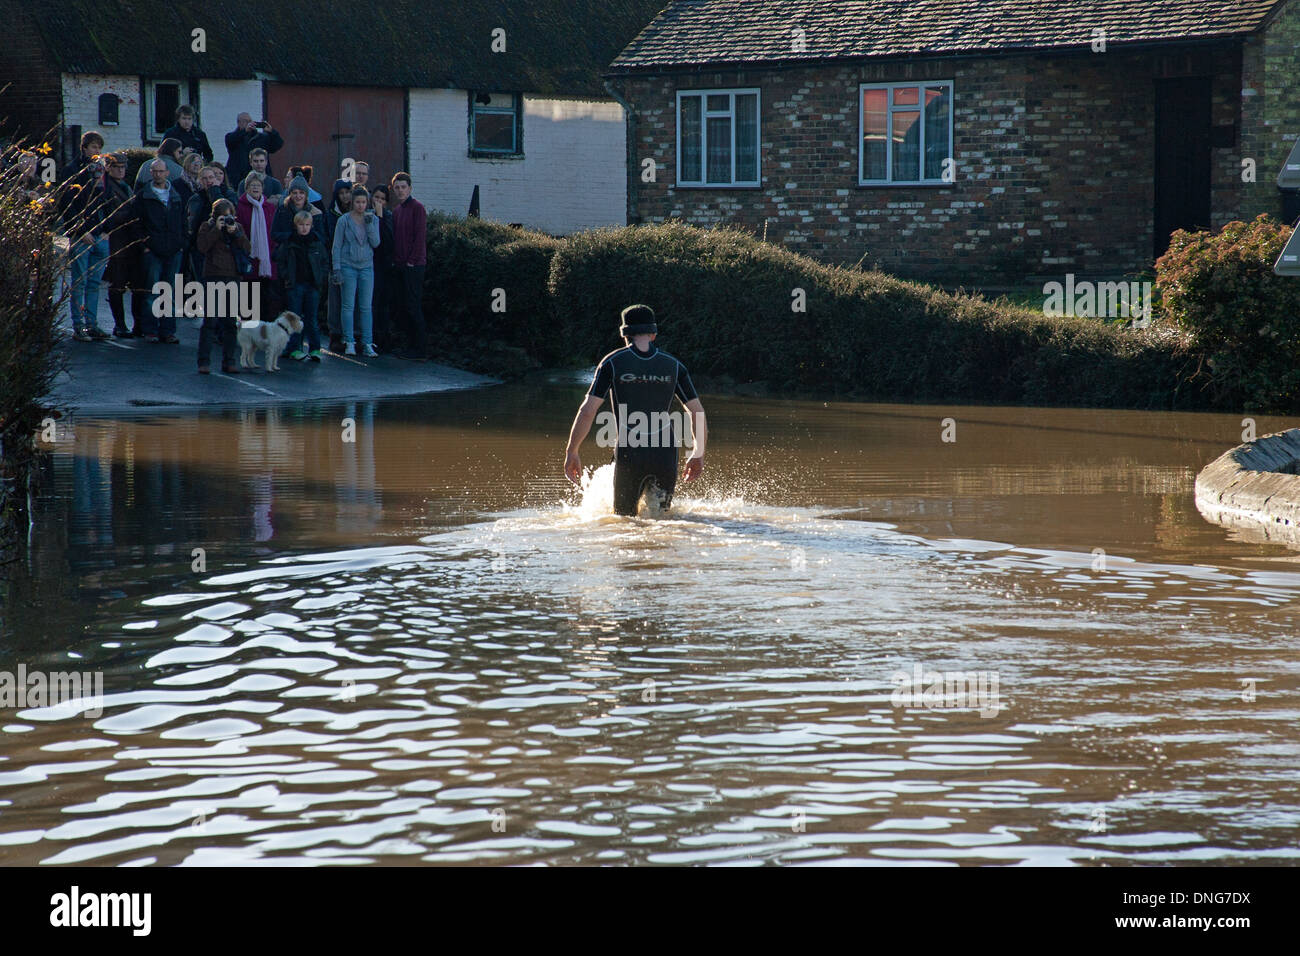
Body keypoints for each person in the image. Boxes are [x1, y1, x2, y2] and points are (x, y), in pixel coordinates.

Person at [564, 305, 707, 517]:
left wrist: (572, 451)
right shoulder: (674, 365)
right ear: (654, 333)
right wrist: (698, 452)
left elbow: (587, 411)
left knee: (623, 521)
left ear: (624, 334)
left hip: (630, 452)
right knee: (661, 520)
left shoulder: (612, 363)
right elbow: (697, 412)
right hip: (666, 451)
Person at [57, 134, 110, 340]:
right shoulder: (72, 171)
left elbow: (106, 202)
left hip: (100, 234)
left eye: (99, 147)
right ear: (84, 148)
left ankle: (92, 324)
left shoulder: (100, 171)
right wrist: (78, 230)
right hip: (81, 236)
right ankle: (79, 326)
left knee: (95, 283)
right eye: (93, 147)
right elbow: (67, 204)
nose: (96, 151)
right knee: (79, 282)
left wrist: (106, 229)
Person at [93, 152, 147, 337]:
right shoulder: (106, 187)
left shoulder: (124, 186)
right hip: (117, 243)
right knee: (117, 286)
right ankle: (120, 324)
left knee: (136, 286)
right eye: (117, 167)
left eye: (123, 167)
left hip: (130, 243)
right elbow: (110, 214)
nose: (121, 170)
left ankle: (137, 324)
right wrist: (131, 215)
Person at [195, 198, 250, 374]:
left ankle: (229, 361)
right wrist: (216, 230)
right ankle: (204, 362)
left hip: (233, 277)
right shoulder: (207, 226)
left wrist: (236, 234)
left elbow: (247, 249)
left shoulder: (237, 227)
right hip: (213, 276)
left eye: (229, 216)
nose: (227, 220)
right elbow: (202, 247)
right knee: (210, 321)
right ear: (216, 216)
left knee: (230, 323)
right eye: (223, 217)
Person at [134, 158, 186, 343]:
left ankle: (168, 330)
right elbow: (136, 223)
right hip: (153, 250)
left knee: (169, 292)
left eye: (160, 171)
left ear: (167, 173)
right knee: (151, 291)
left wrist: (180, 244)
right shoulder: (143, 196)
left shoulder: (176, 195)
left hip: (173, 250)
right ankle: (150, 329)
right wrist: (145, 246)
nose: (157, 174)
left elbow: (183, 222)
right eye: (154, 171)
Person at [331, 185, 380, 356]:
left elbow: (376, 243)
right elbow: (336, 246)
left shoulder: (373, 219)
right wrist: (336, 268)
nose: (361, 205)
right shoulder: (343, 220)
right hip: (348, 265)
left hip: (366, 267)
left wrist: (369, 225)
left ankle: (367, 342)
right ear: (352, 202)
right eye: (358, 202)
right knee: (348, 305)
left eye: (364, 202)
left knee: (366, 306)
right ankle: (349, 341)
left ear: (368, 203)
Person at [274, 210, 329, 362]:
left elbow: (324, 262)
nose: (304, 228)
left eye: (307, 225)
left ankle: (315, 349)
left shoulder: (317, 242)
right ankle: (295, 348)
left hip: (312, 285)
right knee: (295, 318)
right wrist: (286, 277)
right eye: (301, 225)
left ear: (311, 226)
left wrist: (321, 278)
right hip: (295, 285)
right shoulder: (289, 243)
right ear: (295, 225)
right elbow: (281, 262)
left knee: (312, 319)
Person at [389, 172, 428, 361]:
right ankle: (409, 347)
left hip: (414, 266)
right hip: (399, 266)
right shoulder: (397, 211)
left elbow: (420, 237)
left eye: (403, 187)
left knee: (413, 306)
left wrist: (412, 261)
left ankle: (420, 350)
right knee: (403, 307)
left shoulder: (417, 208)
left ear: (410, 188)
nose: (400, 190)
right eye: (397, 187)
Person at [236, 171, 279, 319]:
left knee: (268, 300)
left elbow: (273, 233)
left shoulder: (269, 208)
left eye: (258, 185)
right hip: (249, 259)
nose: (255, 188)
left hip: (267, 261)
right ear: (246, 188)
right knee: (249, 301)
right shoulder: (239, 207)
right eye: (252, 185)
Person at [324, 179, 353, 352]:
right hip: (336, 261)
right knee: (335, 301)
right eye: (341, 193)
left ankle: (352, 335)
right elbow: (330, 239)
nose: (345, 196)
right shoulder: (331, 214)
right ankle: (335, 335)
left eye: (347, 192)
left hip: (354, 262)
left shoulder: (358, 210)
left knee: (352, 302)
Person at [369, 183, 396, 351]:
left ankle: (382, 338)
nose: (378, 201)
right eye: (376, 197)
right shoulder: (366, 213)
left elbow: (387, 241)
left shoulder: (387, 216)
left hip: (383, 265)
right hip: (368, 263)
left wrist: (379, 217)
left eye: (382, 199)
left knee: (381, 304)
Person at [224, 113, 283, 188]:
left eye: (250, 121)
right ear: (239, 123)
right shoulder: (232, 137)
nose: (249, 123)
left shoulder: (261, 138)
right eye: (246, 121)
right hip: (237, 178)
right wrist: (245, 131)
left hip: (260, 177)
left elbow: (277, 145)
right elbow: (230, 141)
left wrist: (272, 132)